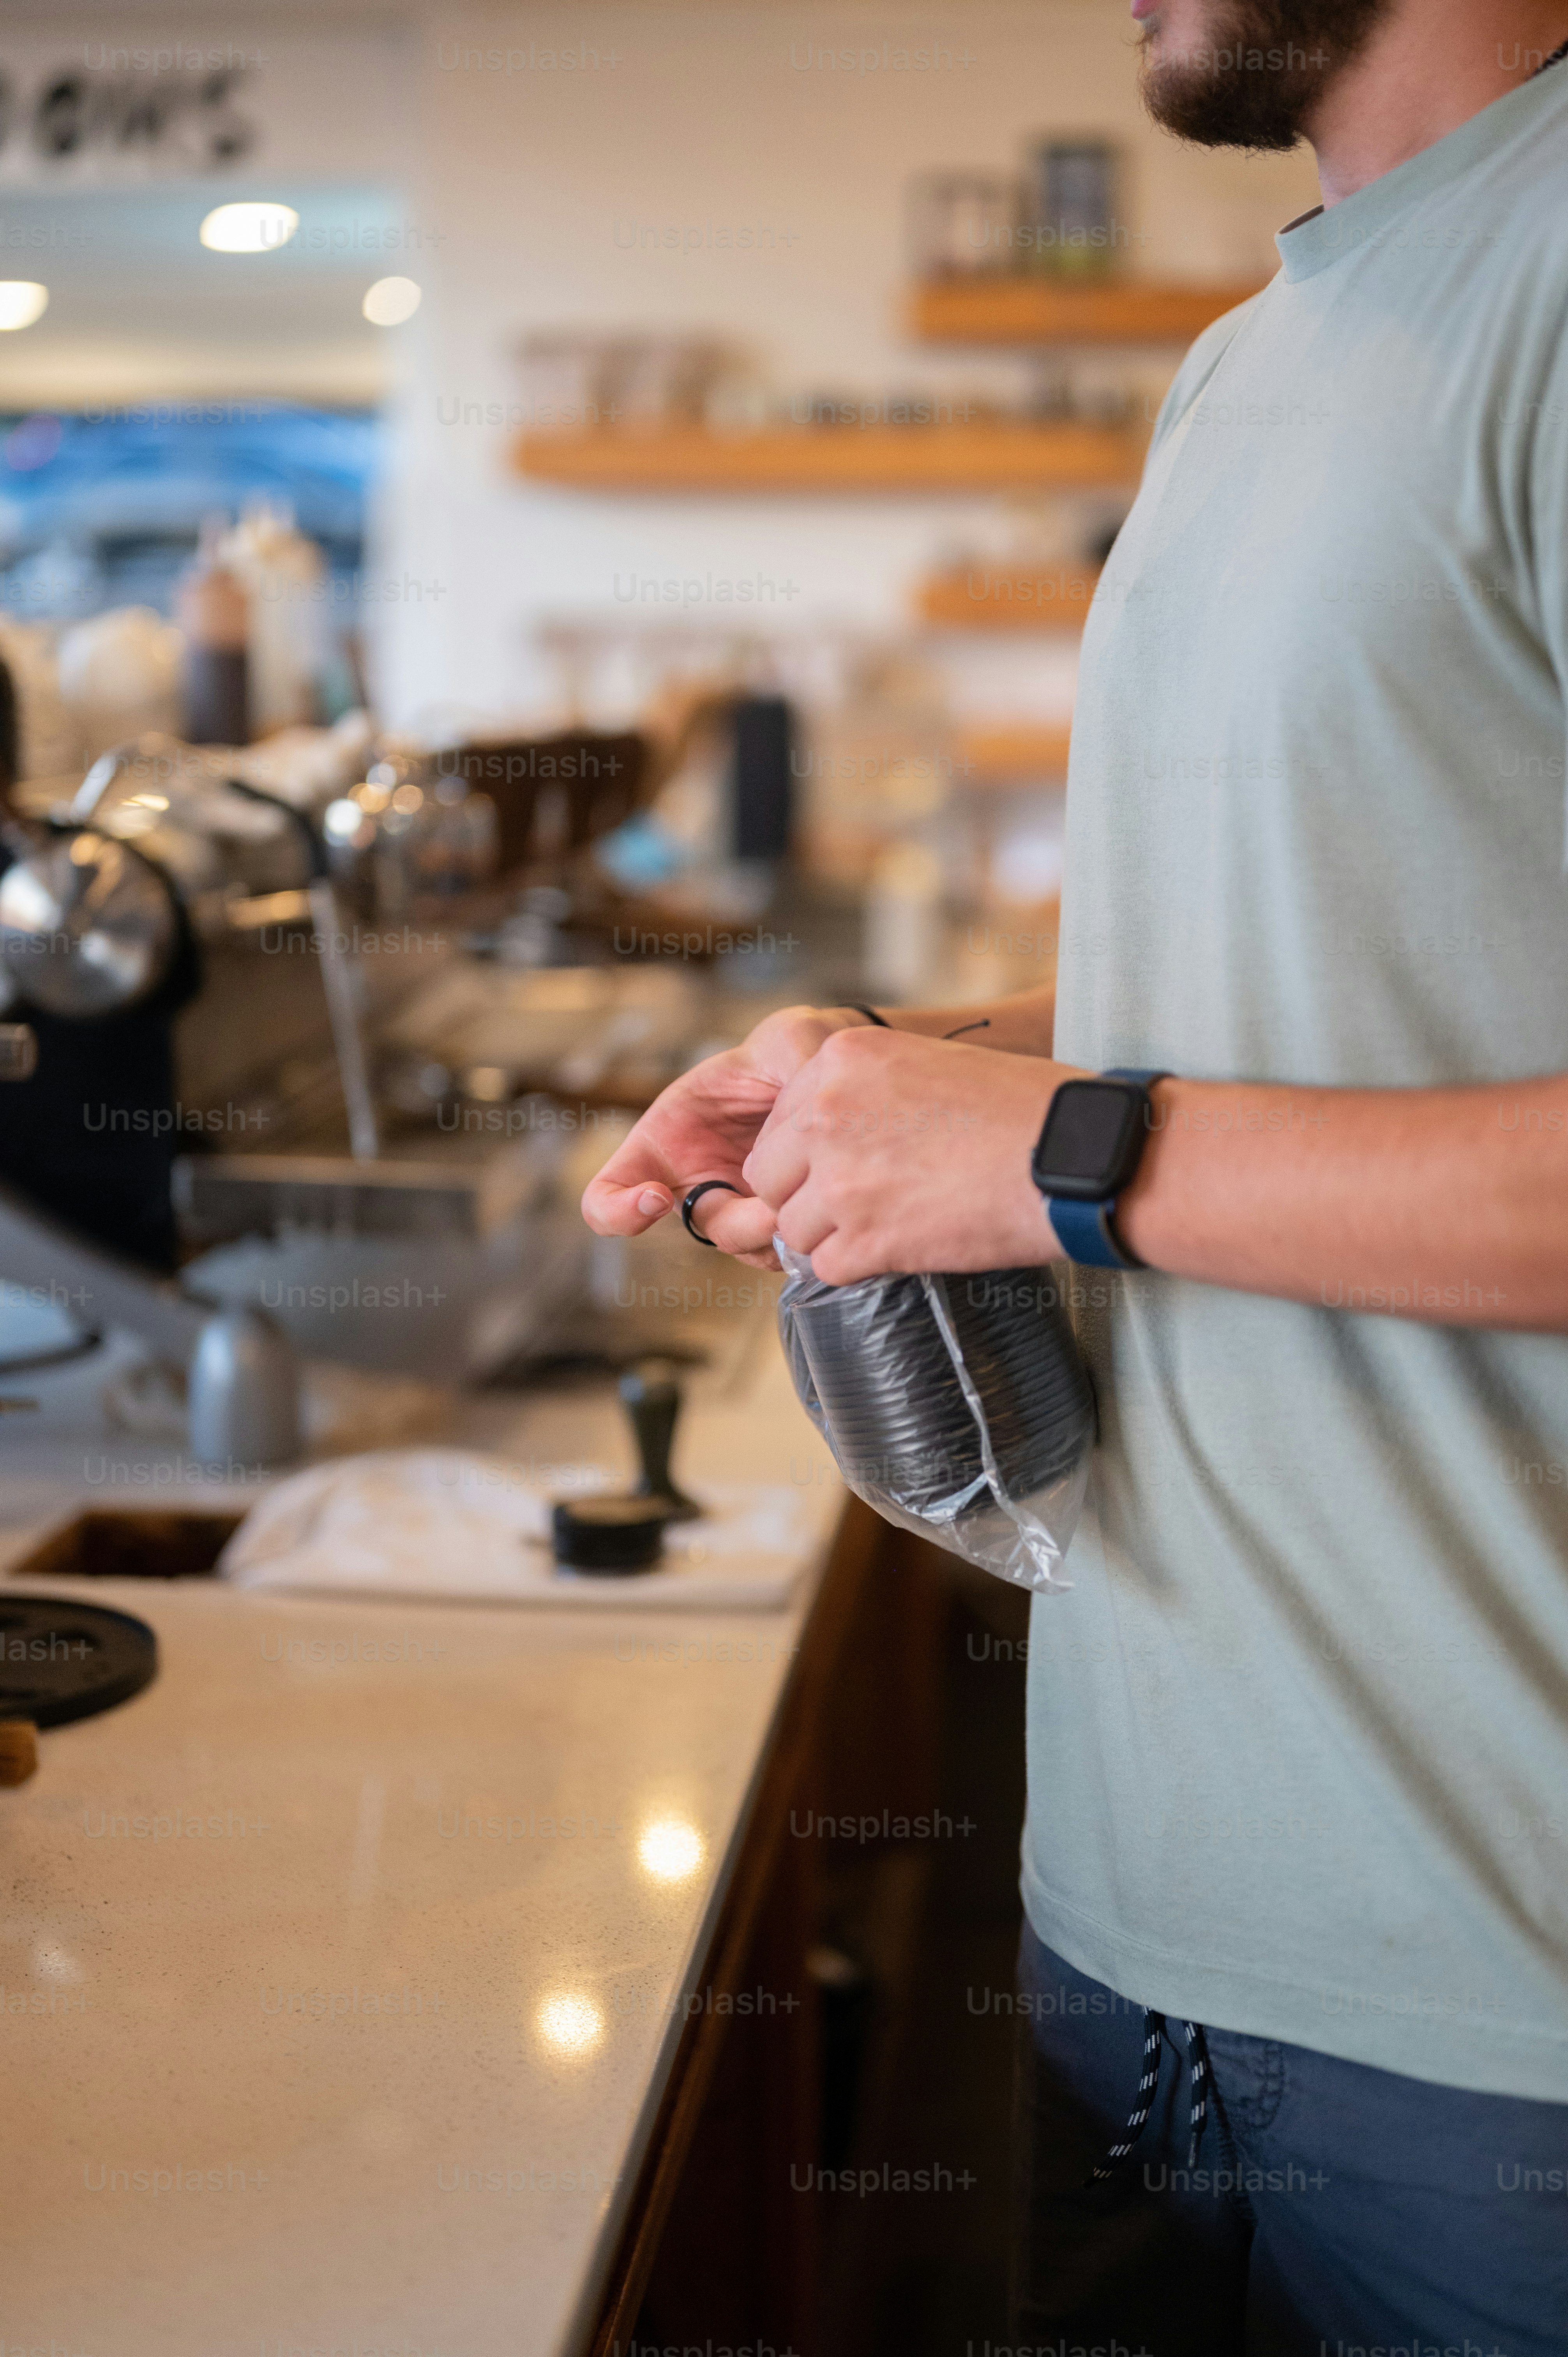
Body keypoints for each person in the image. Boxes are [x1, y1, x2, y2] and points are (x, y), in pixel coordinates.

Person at [583, 0, 1568, 2343]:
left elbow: (1117, 1143)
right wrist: (897, 1078)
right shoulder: (1256, 352)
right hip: (1135, 1937)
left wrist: (1050, 1153)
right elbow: (1309, 982)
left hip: (1500, 2031)